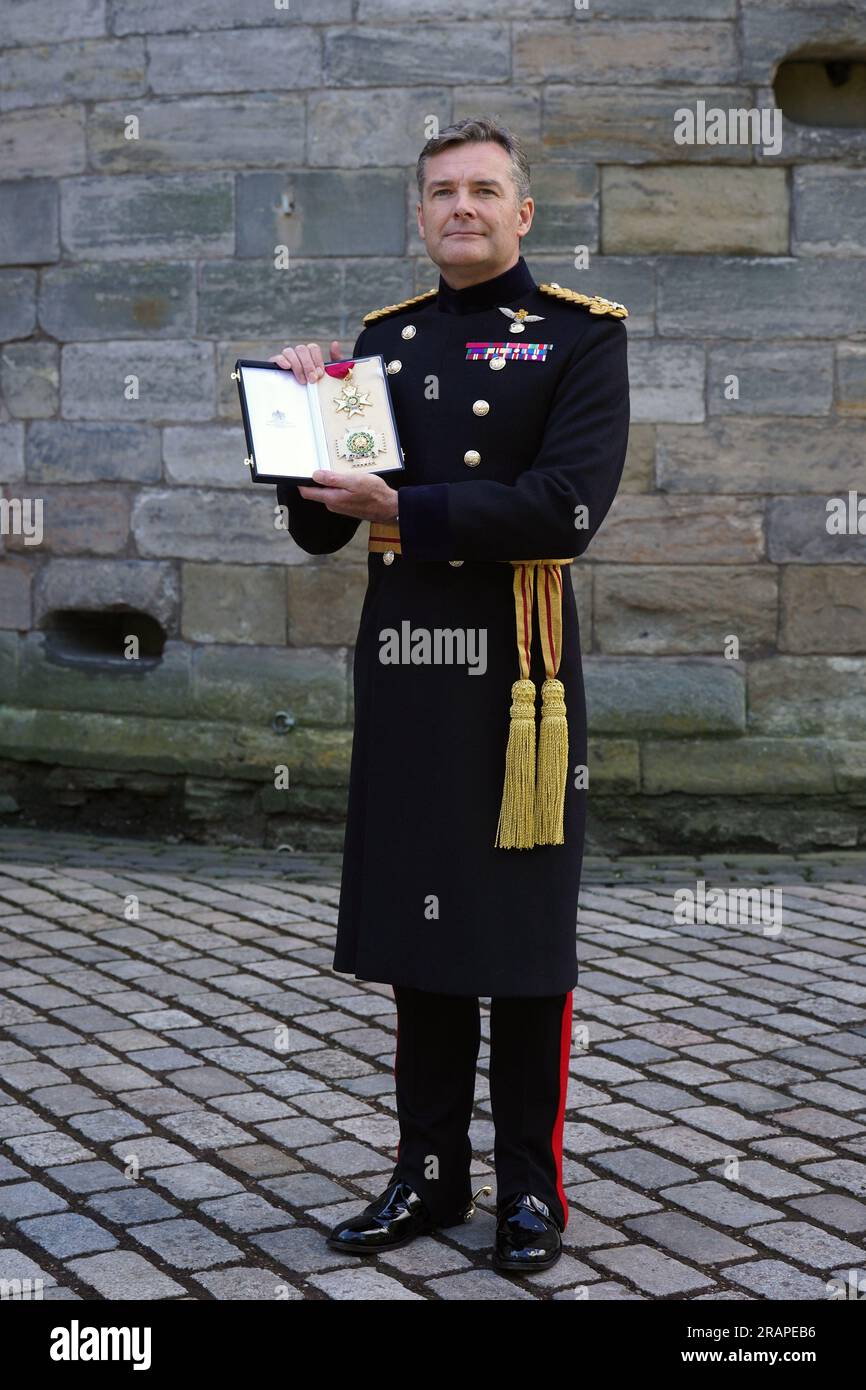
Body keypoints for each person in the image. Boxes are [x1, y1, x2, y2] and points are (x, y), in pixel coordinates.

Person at [269, 117, 630, 1274]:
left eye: (483, 191)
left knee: (519, 934)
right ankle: (426, 1171)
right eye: (440, 193)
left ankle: (529, 1186)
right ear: (418, 217)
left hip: (521, 677)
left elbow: (564, 507)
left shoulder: (579, 339)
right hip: (409, 667)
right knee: (419, 930)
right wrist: (302, 429)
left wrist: (397, 507)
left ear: (522, 213)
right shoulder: (381, 343)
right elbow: (327, 532)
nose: (461, 208)